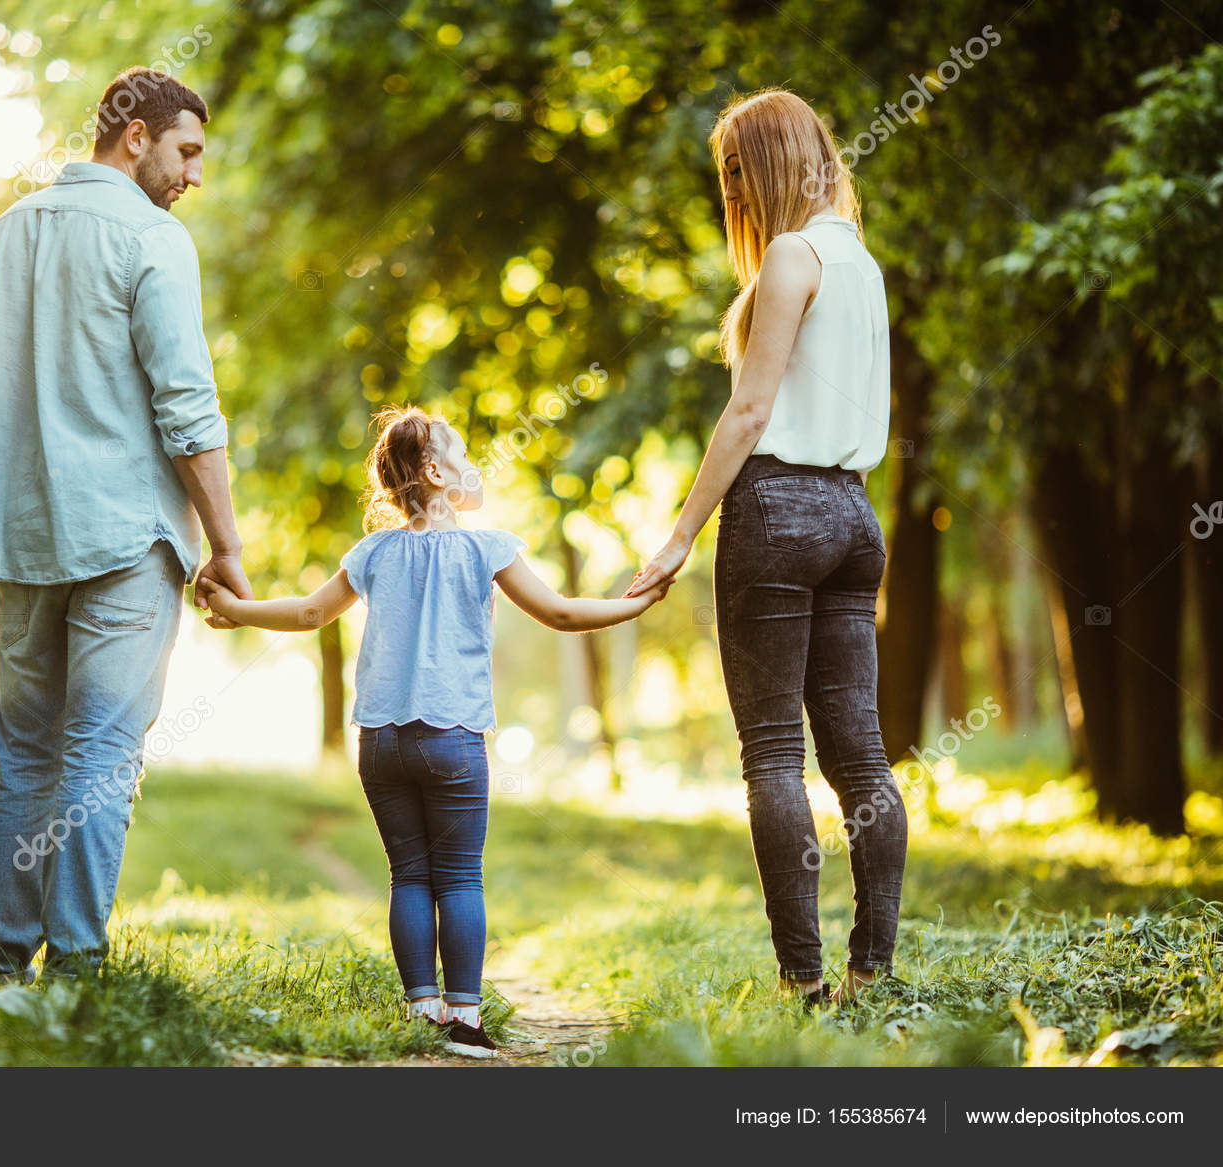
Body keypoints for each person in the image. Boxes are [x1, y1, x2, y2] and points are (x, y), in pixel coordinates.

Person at [199, 406, 671, 1054]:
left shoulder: (372, 551)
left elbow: (309, 611)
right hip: (451, 737)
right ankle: (466, 1019)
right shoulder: (487, 547)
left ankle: (422, 1010)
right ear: (433, 471)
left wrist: (233, 607)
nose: (473, 464)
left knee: (408, 874)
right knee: (459, 875)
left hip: (381, 742)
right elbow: (561, 613)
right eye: (460, 452)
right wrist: (635, 601)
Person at [0, 66, 251, 984]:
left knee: (22, 761)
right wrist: (227, 544)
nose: (193, 174)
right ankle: (78, 973)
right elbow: (189, 410)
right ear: (137, 138)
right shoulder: (152, 239)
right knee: (97, 756)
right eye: (187, 151)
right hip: (127, 538)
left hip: (24, 537)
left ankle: (8, 972)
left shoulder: (2, 239)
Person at [625, 89, 907, 1007]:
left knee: (774, 756)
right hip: (855, 516)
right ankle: (871, 972)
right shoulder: (858, 261)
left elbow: (749, 412)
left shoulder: (792, 255)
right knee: (862, 757)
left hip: (778, 509)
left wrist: (677, 536)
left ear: (774, 162)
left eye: (737, 175)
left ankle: (802, 981)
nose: (732, 198)